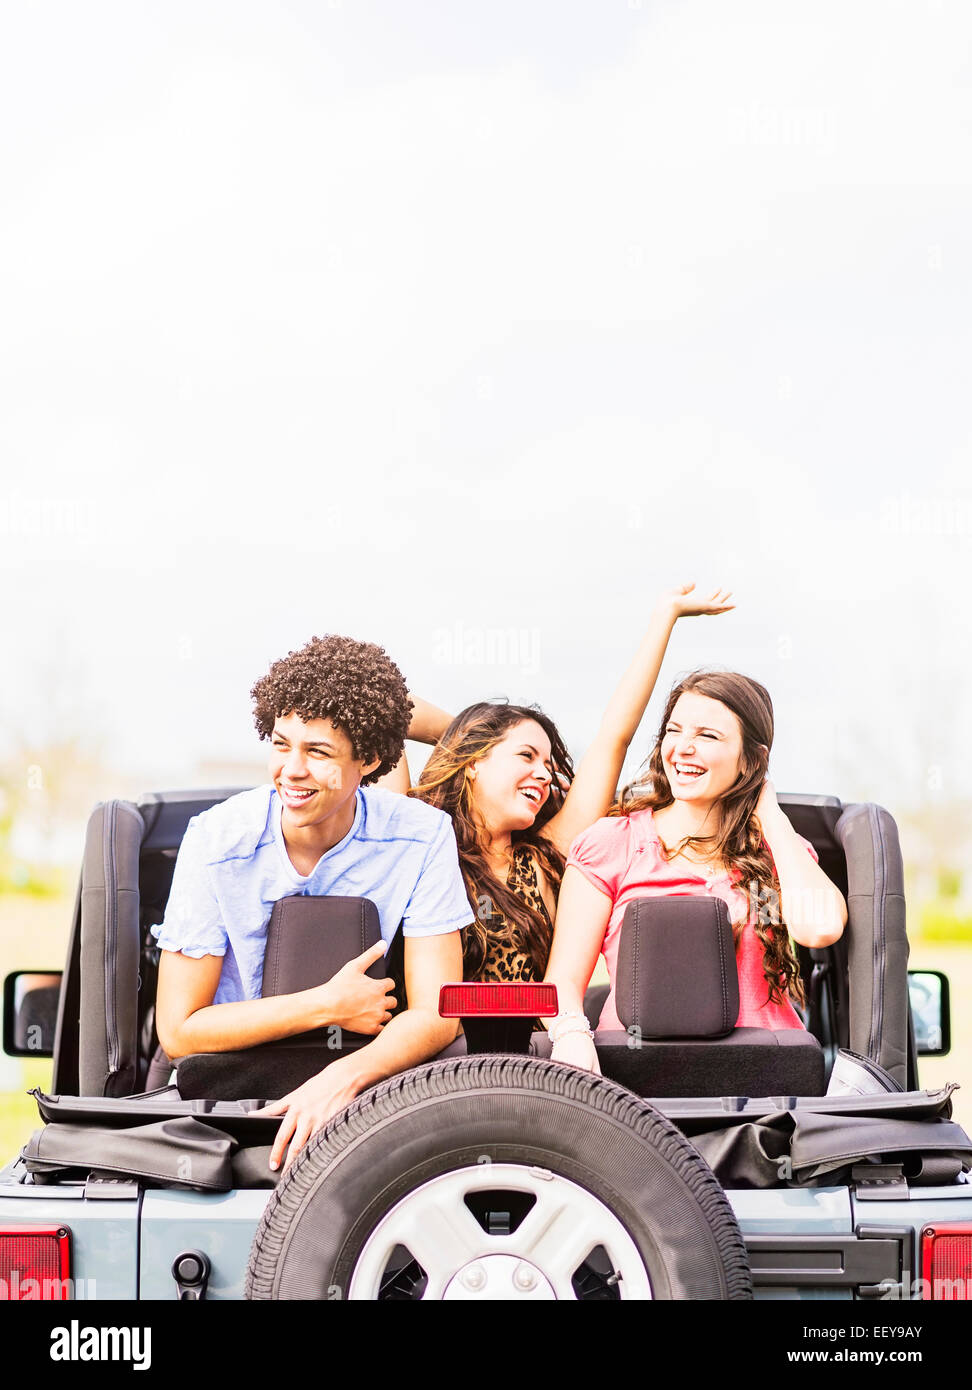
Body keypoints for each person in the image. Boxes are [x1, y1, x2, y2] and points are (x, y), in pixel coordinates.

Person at [151, 635, 471, 1171]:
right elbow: (180, 1031)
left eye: (318, 752)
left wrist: (336, 1084)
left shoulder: (422, 837)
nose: (291, 771)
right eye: (281, 745)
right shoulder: (216, 839)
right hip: (237, 1087)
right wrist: (328, 1004)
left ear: (368, 759)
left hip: (369, 1081)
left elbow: (439, 1011)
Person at [386, 585, 734, 985]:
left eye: (549, 764)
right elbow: (391, 708)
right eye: (526, 756)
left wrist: (664, 616)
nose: (545, 773)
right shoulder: (415, 840)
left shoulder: (541, 859)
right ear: (474, 764)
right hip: (436, 1047)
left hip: (532, 1048)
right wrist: (463, 738)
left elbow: (613, 737)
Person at [542, 670, 848, 1070]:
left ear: (752, 759)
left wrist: (770, 814)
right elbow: (561, 982)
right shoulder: (611, 843)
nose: (683, 748)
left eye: (707, 736)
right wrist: (572, 1037)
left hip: (765, 1086)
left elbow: (819, 929)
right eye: (674, 730)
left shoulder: (774, 853)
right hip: (635, 1086)